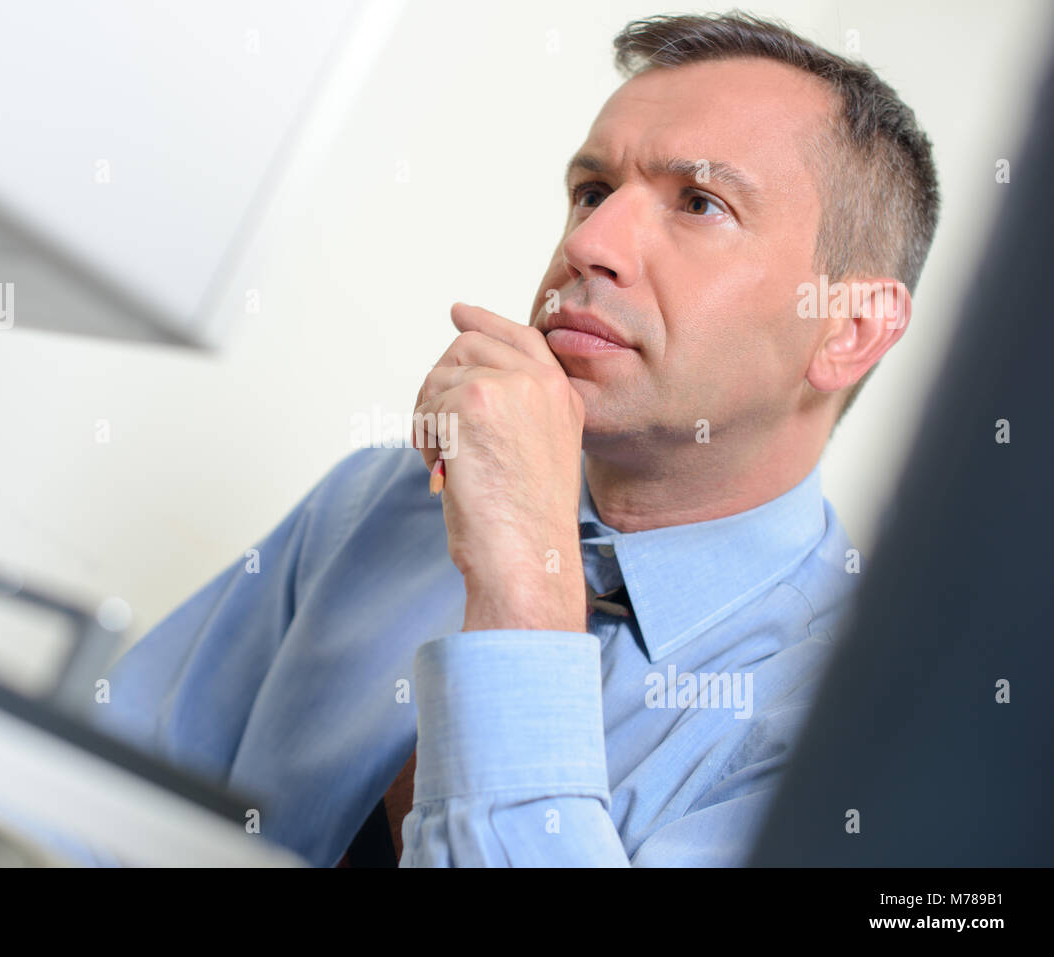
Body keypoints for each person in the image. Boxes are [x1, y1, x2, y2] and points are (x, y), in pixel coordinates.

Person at [95, 10, 940, 867]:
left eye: (699, 202)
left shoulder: (860, 731)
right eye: (592, 191)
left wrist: (524, 593)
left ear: (850, 328)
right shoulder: (377, 501)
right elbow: (95, 814)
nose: (588, 245)